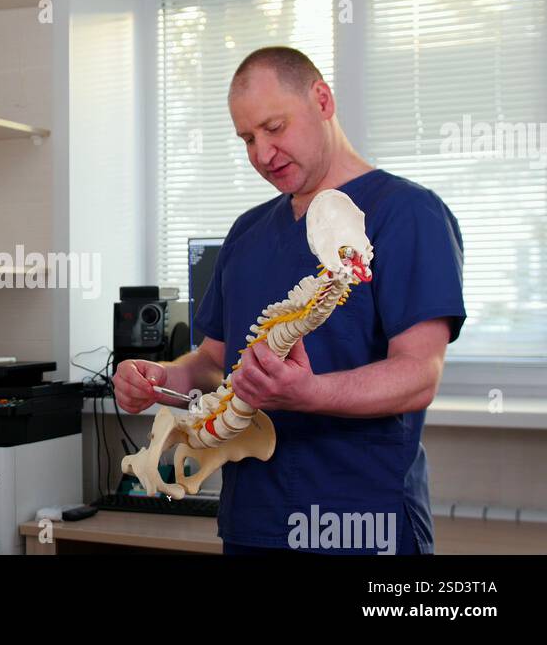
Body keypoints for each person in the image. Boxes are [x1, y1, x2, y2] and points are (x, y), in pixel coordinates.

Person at [114, 47, 466, 555]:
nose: (261, 154)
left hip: (361, 526)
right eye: (247, 139)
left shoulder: (410, 216)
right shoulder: (248, 233)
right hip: (254, 521)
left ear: (322, 100)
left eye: (274, 128)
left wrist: (310, 393)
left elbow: (417, 375)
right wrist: (162, 378)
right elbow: (215, 363)